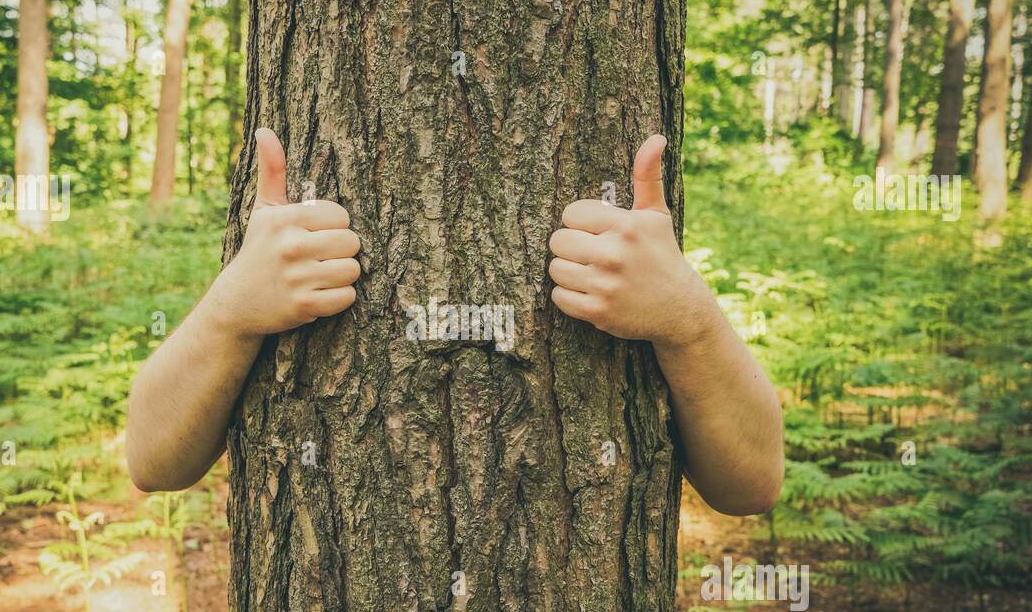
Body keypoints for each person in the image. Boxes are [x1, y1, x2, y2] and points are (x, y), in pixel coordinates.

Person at [127, 128, 783, 515]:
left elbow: (752, 483)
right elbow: (153, 459)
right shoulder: (266, 250)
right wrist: (228, 314)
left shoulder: (654, 266)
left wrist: (690, 320)